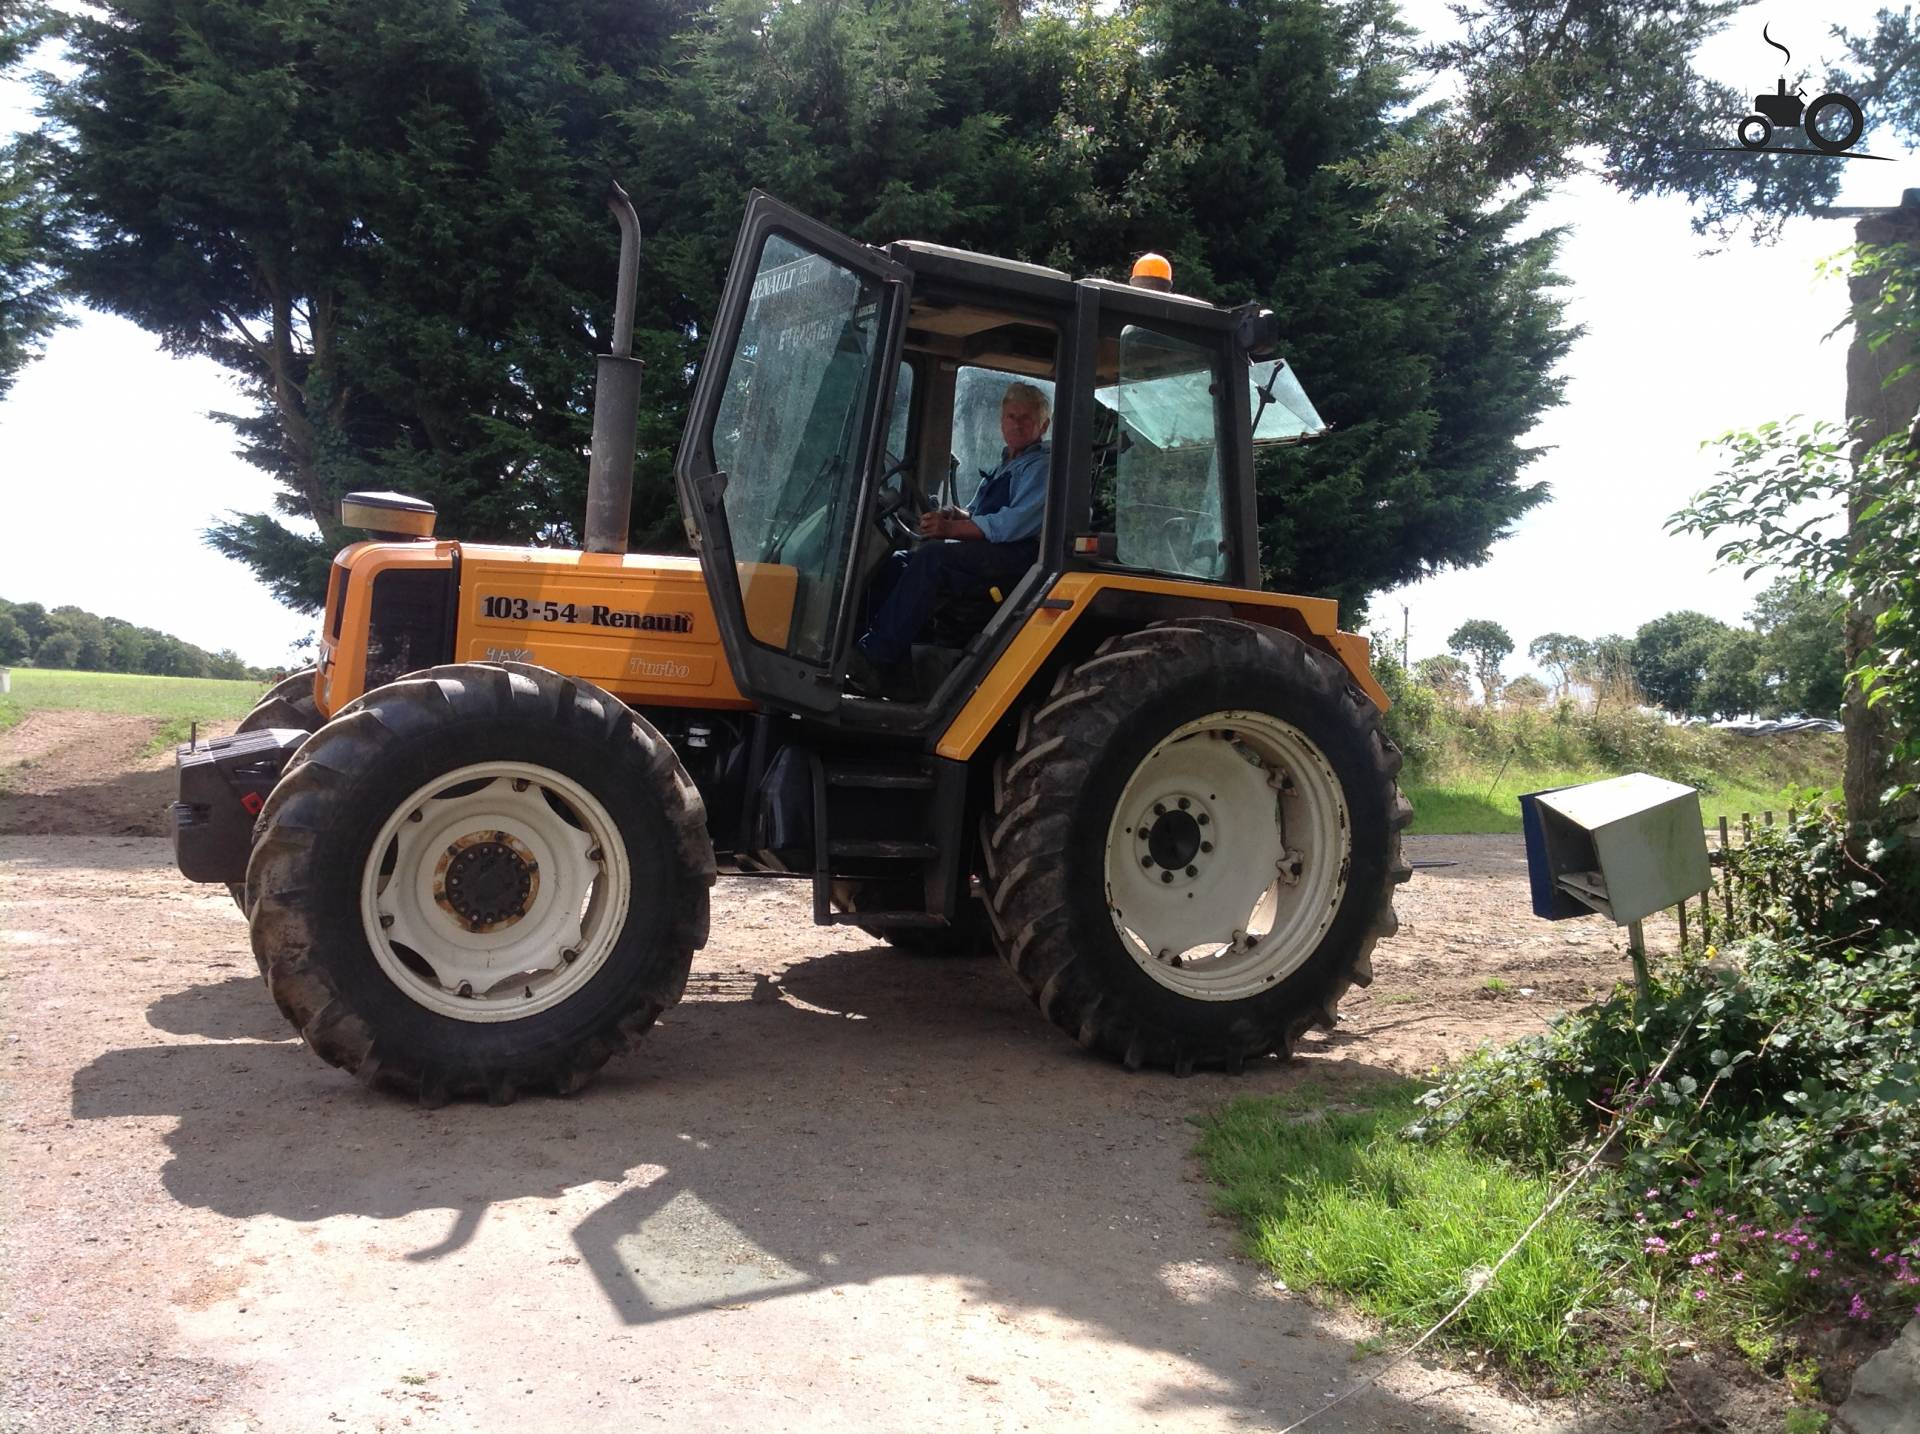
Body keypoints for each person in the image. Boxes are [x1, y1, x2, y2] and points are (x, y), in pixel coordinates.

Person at [852, 381, 1051, 691]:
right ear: (1001, 421)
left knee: (934, 557)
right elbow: (982, 515)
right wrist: (957, 515)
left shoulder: (1040, 467)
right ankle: (860, 646)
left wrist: (952, 529)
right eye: (1011, 416)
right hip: (992, 553)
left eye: (1026, 418)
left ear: (1044, 425)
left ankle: (878, 658)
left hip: (1018, 560)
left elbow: (1013, 523)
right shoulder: (1009, 463)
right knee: (898, 560)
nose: (1017, 424)